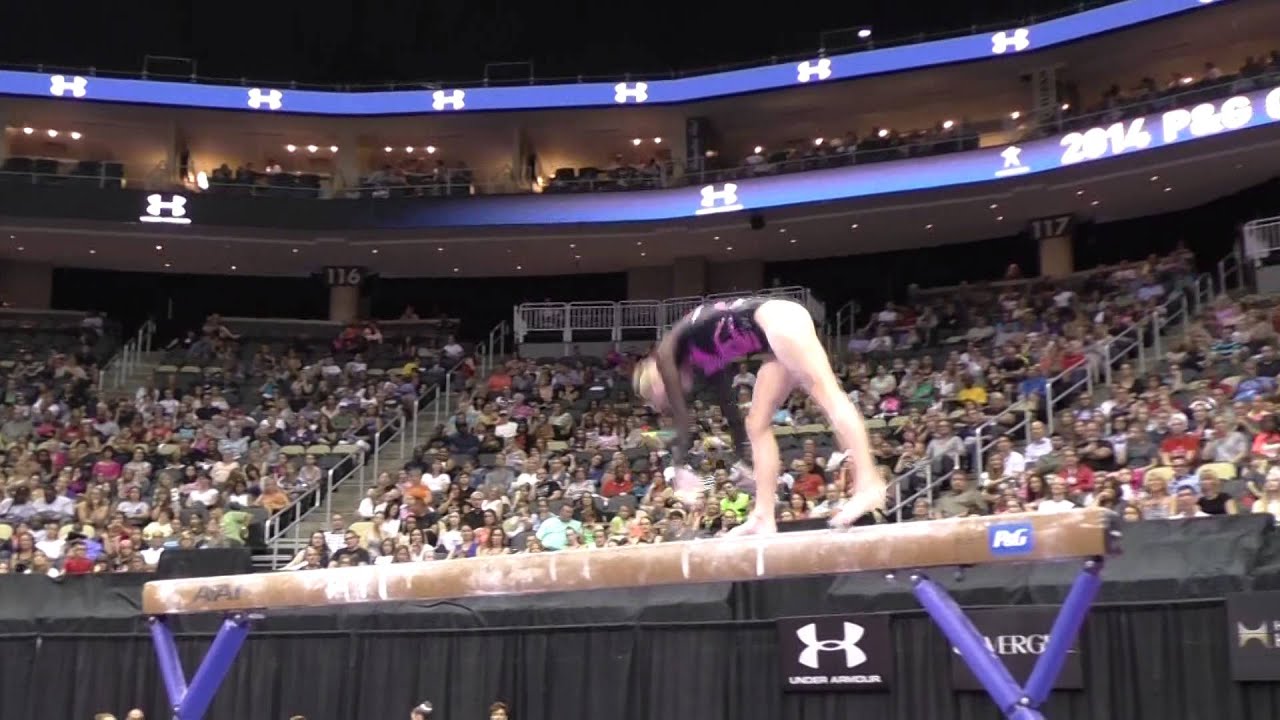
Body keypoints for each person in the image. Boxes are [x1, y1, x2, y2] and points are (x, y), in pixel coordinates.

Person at [632, 296, 882, 535]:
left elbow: (682, 419)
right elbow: (731, 412)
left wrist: (678, 467)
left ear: (656, 378)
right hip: (773, 339)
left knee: (830, 398)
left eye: (662, 396)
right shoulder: (701, 356)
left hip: (777, 319)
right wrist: (743, 459)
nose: (676, 392)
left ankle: (869, 484)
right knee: (756, 424)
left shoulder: (667, 351)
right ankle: (763, 515)